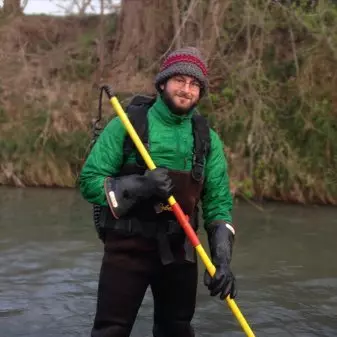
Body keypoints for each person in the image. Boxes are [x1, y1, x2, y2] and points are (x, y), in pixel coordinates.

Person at [79, 46, 237, 337]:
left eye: (194, 85)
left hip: (180, 249)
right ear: (162, 82)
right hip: (126, 248)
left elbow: (218, 206)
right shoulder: (126, 125)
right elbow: (89, 181)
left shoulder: (207, 139)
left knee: (176, 329)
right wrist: (139, 185)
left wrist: (222, 262)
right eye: (179, 80)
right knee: (110, 330)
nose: (186, 90)